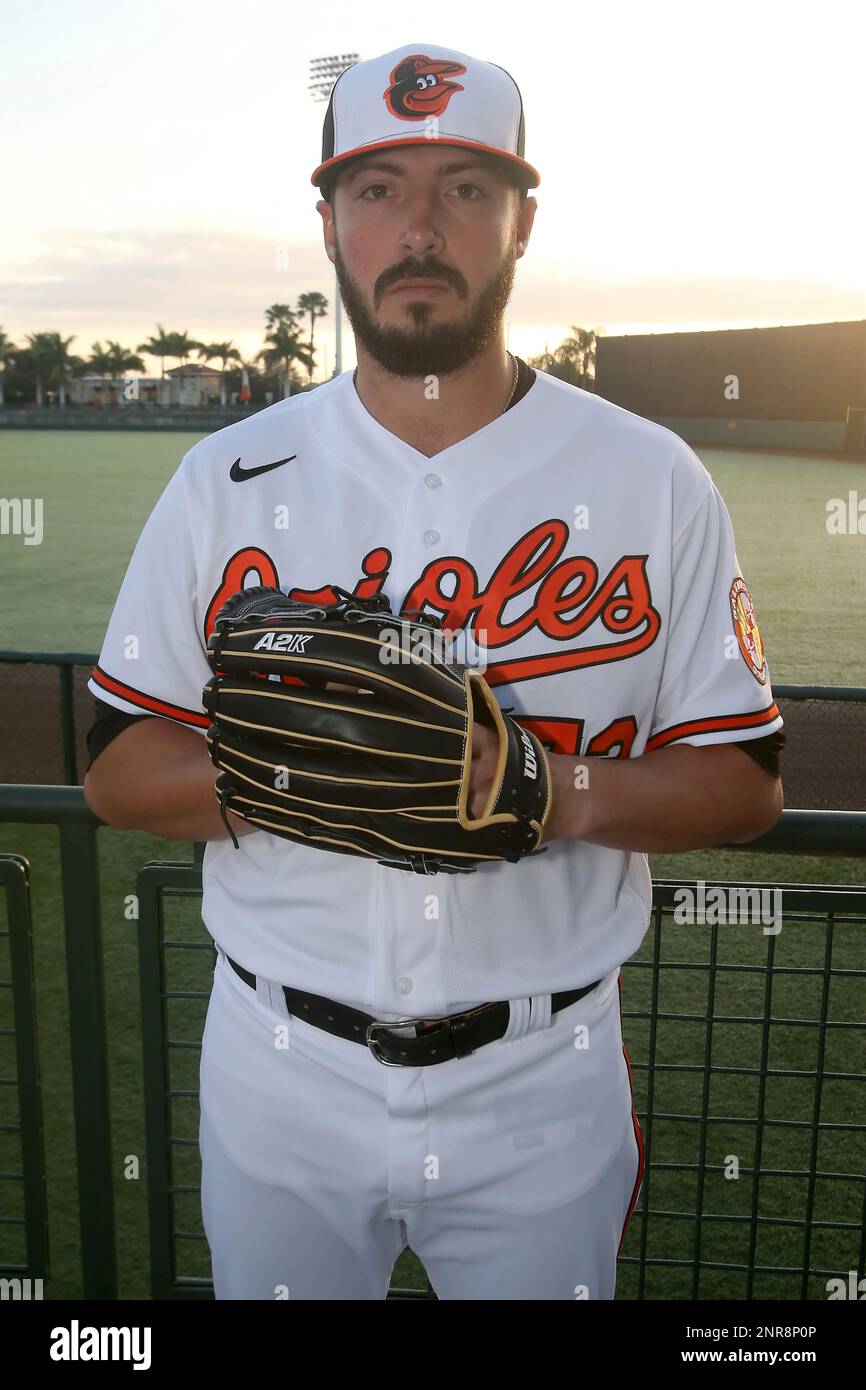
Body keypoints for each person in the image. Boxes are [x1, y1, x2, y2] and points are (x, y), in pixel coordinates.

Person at [83, 42, 785, 1300]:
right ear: (329, 221)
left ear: (522, 219)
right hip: (277, 1062)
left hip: (543, 1076)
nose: (418, 227)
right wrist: (319, 780)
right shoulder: (225, 478)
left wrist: (544, 794)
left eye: (464, 186)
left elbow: (744, 779)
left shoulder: (649, 474)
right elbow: (115, 762)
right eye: (376, 188)